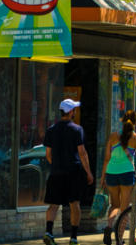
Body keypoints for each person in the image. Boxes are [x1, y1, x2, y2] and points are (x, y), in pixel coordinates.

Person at [43, 98, 94, 245]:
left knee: (53, 204)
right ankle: (73, 237)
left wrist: (58, 164)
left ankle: (48, 232)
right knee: (74, 204)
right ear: (71, 112)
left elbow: (48, 154)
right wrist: (88, 172)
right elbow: (82, 153)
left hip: (56, 172)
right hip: (74, 172)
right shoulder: (77, 129)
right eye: (74, 109)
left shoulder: (51, 130)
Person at [100, 111, 136, 245]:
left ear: (122, 122)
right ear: (135, 124)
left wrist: (102, 177)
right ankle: (119, 240)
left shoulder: (113, 137)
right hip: (126, 174)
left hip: (111, 173)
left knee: (114, 206)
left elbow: (106, 159)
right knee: (125, 209)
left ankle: (109, 227)